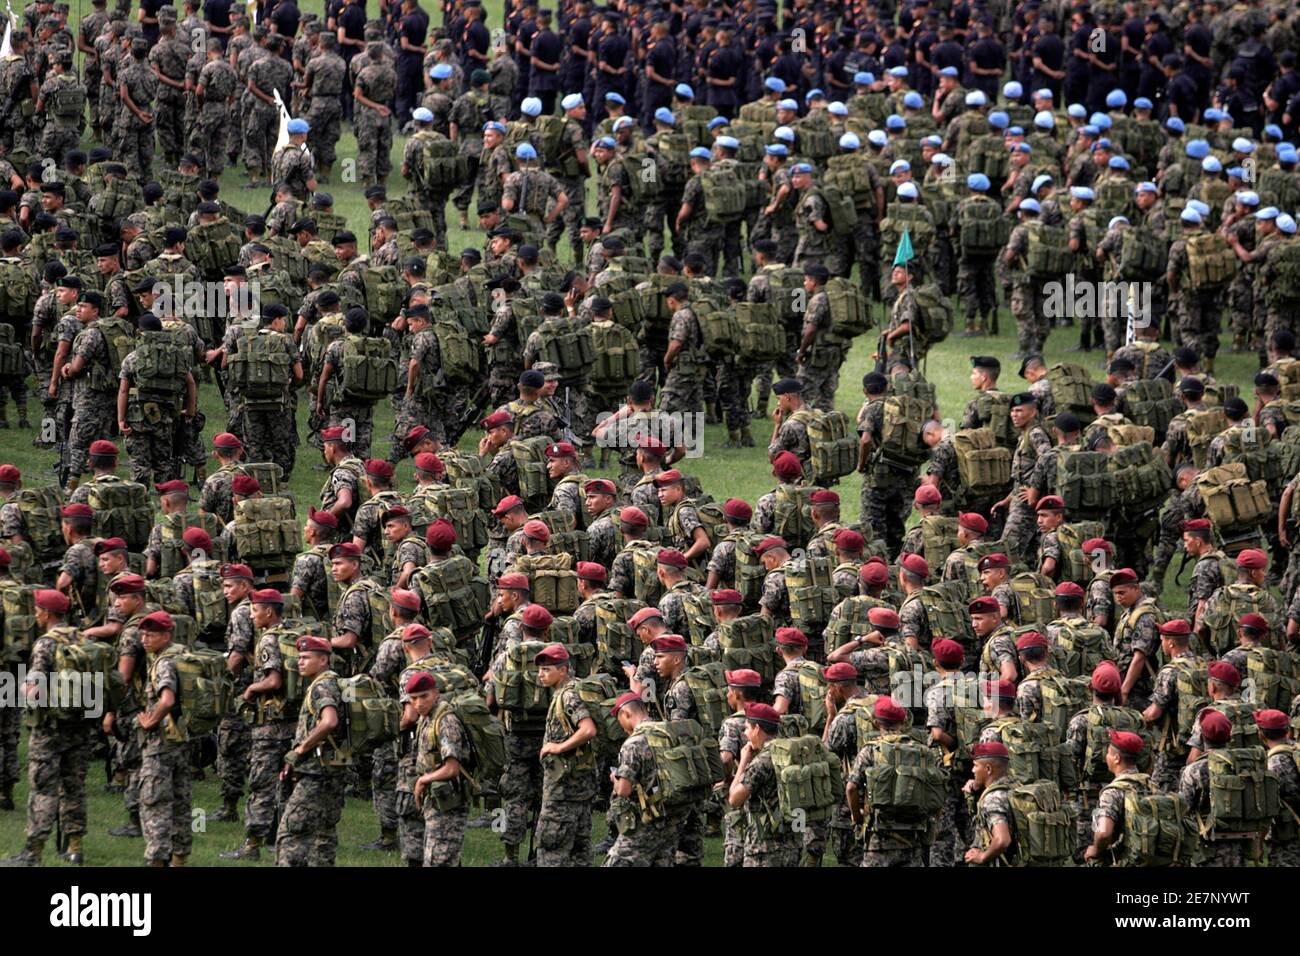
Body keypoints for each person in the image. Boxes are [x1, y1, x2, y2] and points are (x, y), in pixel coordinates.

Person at [277, 634, 346, 867]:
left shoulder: (321, 686)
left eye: (307, 657)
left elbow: (329, 721)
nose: (300, 662)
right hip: (334, 769)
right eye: (299, 657)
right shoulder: (336, 682)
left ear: (324, 660)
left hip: (316, 772)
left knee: (291, 831)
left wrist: (300, 749)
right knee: (324, 834)